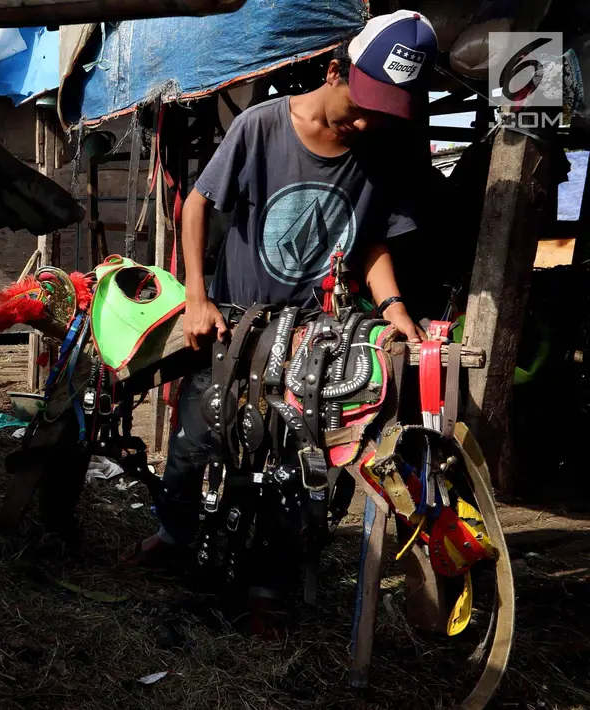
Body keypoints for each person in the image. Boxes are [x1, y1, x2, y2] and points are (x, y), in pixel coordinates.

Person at [126, 11, 438, 575]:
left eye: (382, 113)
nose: (366, 123)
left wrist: (394, 308)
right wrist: (197, 297)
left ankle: (269, 583)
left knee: (295, 460)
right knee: (196, 439)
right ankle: (173, 536)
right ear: (335, 71)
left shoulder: (381, 149)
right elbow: (197, 204)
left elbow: (371, 242)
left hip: (315, 339)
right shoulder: (261, 126)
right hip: (235, 323)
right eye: (362, 106)